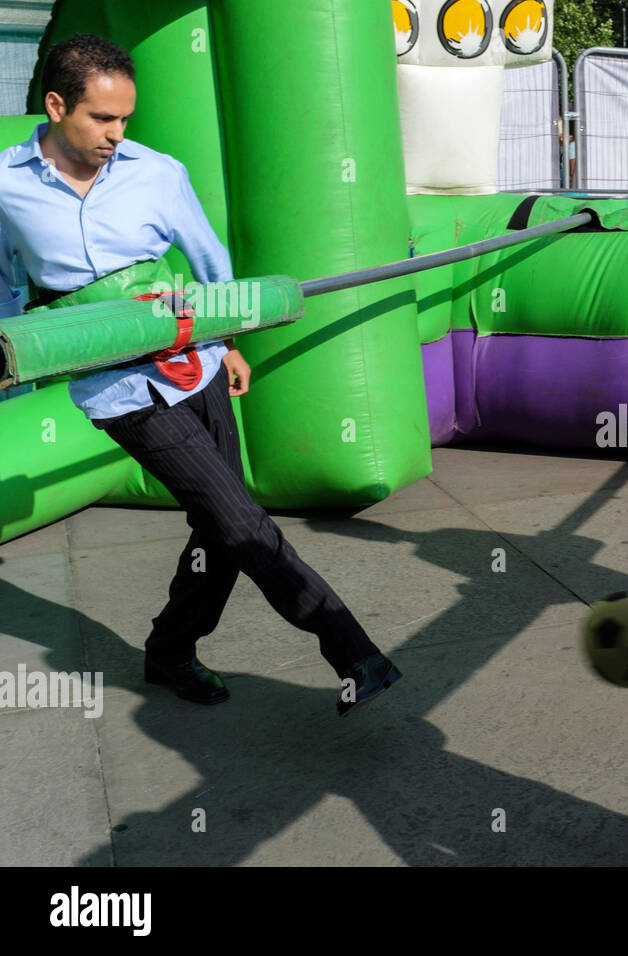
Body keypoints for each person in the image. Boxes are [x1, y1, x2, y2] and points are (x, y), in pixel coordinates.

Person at [0, 34, 401, 716]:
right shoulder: (7, 185)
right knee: (238, 516)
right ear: (57, 105)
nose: (117, 134)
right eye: (102, 118)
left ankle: (170, 650)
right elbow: (6, 284)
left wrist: (229, 343)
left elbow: (211, 263)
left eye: (126, 118)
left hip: (196, 359)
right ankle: (353, 652)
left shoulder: (158, 173)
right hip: (116, 387)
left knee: (219, 525)